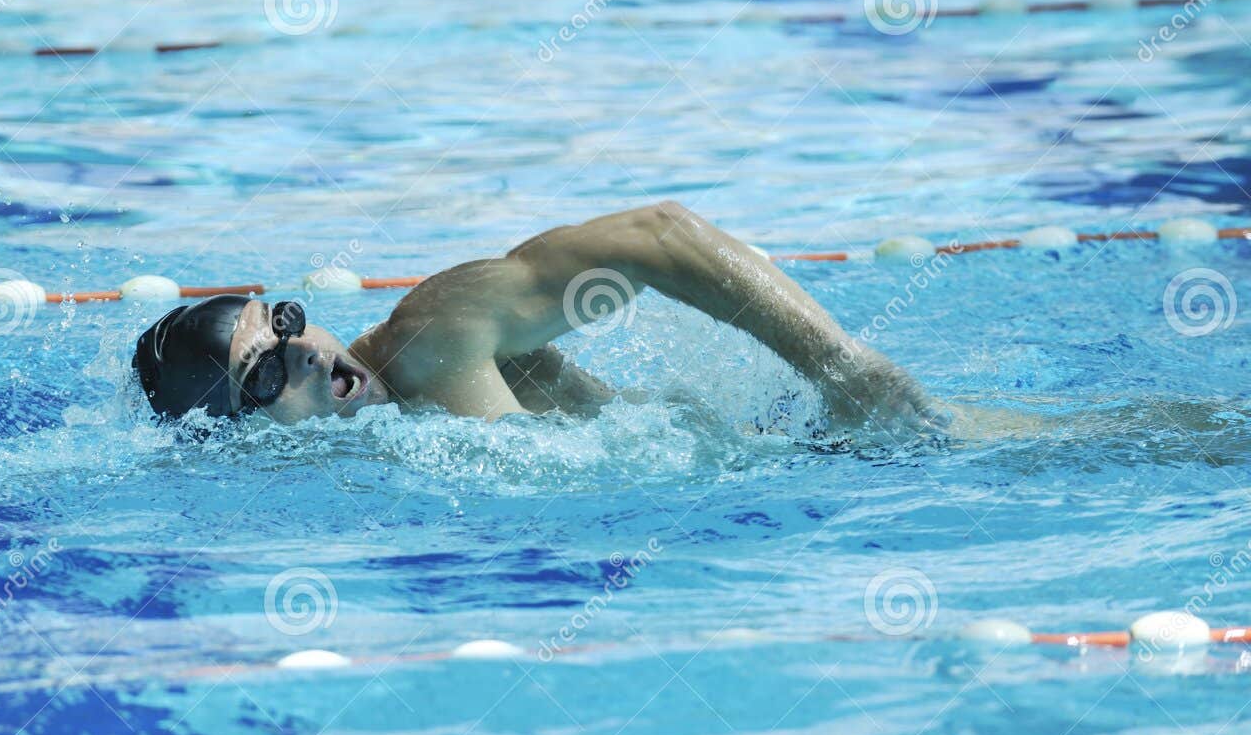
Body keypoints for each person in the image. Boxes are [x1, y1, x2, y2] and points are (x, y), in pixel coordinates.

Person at [132, 201, 948, 435]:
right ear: (237, 433)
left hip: (845, 453)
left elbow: (655, 234)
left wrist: (844, 369)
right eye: (265, 374)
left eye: (285, 327)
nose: (303, 356)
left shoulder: (435, 330)